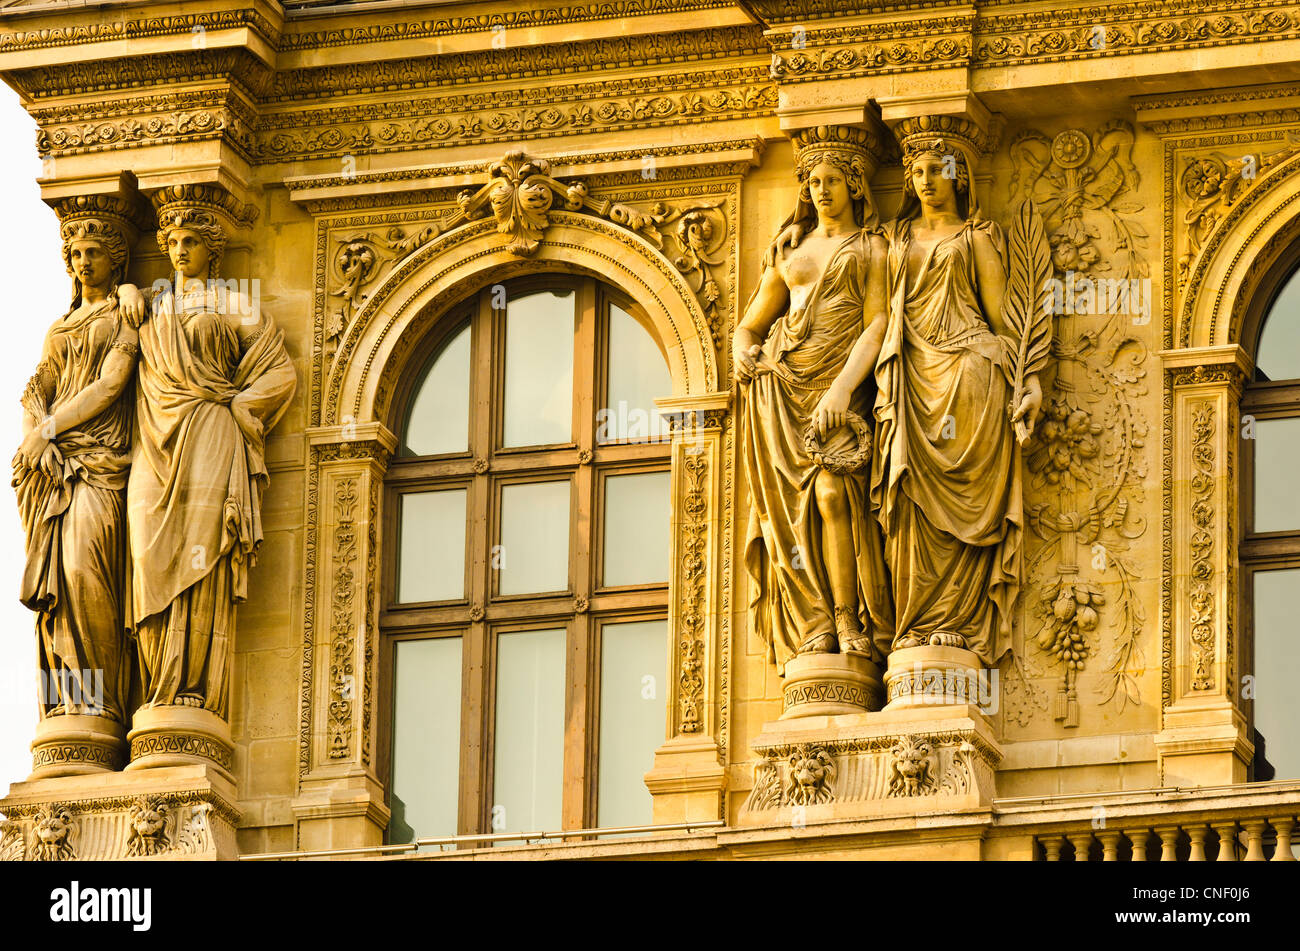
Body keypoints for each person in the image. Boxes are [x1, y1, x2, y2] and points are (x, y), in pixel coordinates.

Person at [870, 135, 1043, 664]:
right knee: (909, 503)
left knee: (965, 497)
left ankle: (956, 621)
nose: (925, 179)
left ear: (958, 177)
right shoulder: (893, 238)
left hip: (970, 371)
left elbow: (1002, 319)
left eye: (937, 169)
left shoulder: (976, 237)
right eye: (916, 169)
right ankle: (916, 622)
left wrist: (1028, 380)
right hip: (908, 378)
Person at [128, 196, 295, 716]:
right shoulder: (147, 307)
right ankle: (158, 687)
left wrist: (242, 407)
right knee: (145, 557)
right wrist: (127, 291)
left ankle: (191, 688)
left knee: (202, 562)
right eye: (172, 242)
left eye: (191, 241)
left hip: (210, 433)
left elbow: (279, 371)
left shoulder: (232, 304)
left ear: (211, 250)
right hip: (153, 442)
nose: (180, 251)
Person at [736, 126, 892, 675]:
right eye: (813, 181)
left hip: (837, 385)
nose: (822, 190)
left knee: (832, 495)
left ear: (853, 185)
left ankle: (850, 618)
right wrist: (743, 352)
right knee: (789, 514)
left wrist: (845, 387)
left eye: (832, 180)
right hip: (782, 387)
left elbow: (877, 323)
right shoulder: (792, 253)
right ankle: (817, 620)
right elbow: (752, 324)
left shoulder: (872, 248)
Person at [14, 208, 147, 726]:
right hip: (51, 469)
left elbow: (112, 385)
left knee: (84, 571)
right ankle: (71, 700)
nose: (83, 261)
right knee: (57, 594)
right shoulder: (60, 327)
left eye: (94, 253)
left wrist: (48, 430)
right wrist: (33, 437)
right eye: (76, 254)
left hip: (99, 462)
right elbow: (36, 389)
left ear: (116, 260)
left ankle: (103, 700)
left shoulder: (125, 315)